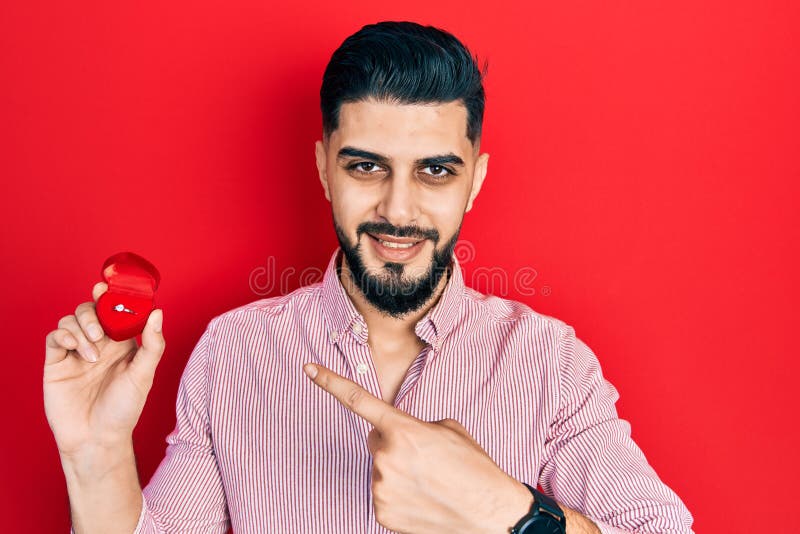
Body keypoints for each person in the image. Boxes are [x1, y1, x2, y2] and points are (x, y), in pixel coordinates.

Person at [44, 20, 694, 534]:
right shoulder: (233, 354)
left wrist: (510, 513)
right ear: (325, 167)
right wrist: (95, 454)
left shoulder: (550, 364)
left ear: (476, 181)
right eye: (365, 167)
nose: (398, 209)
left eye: (435, 171)